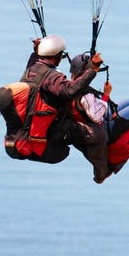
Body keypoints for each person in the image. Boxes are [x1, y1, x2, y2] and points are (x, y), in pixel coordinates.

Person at [22, 34, 110, 184]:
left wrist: (37, 52)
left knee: (78, 131)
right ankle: (101, 173)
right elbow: (71, 90)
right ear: (56, 57)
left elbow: (34, 62)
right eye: (61, 55)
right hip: (53, 130)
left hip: (33, 123)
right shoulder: (51, 77)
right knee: (96, 134)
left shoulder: (31, 70)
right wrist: (93, 70)